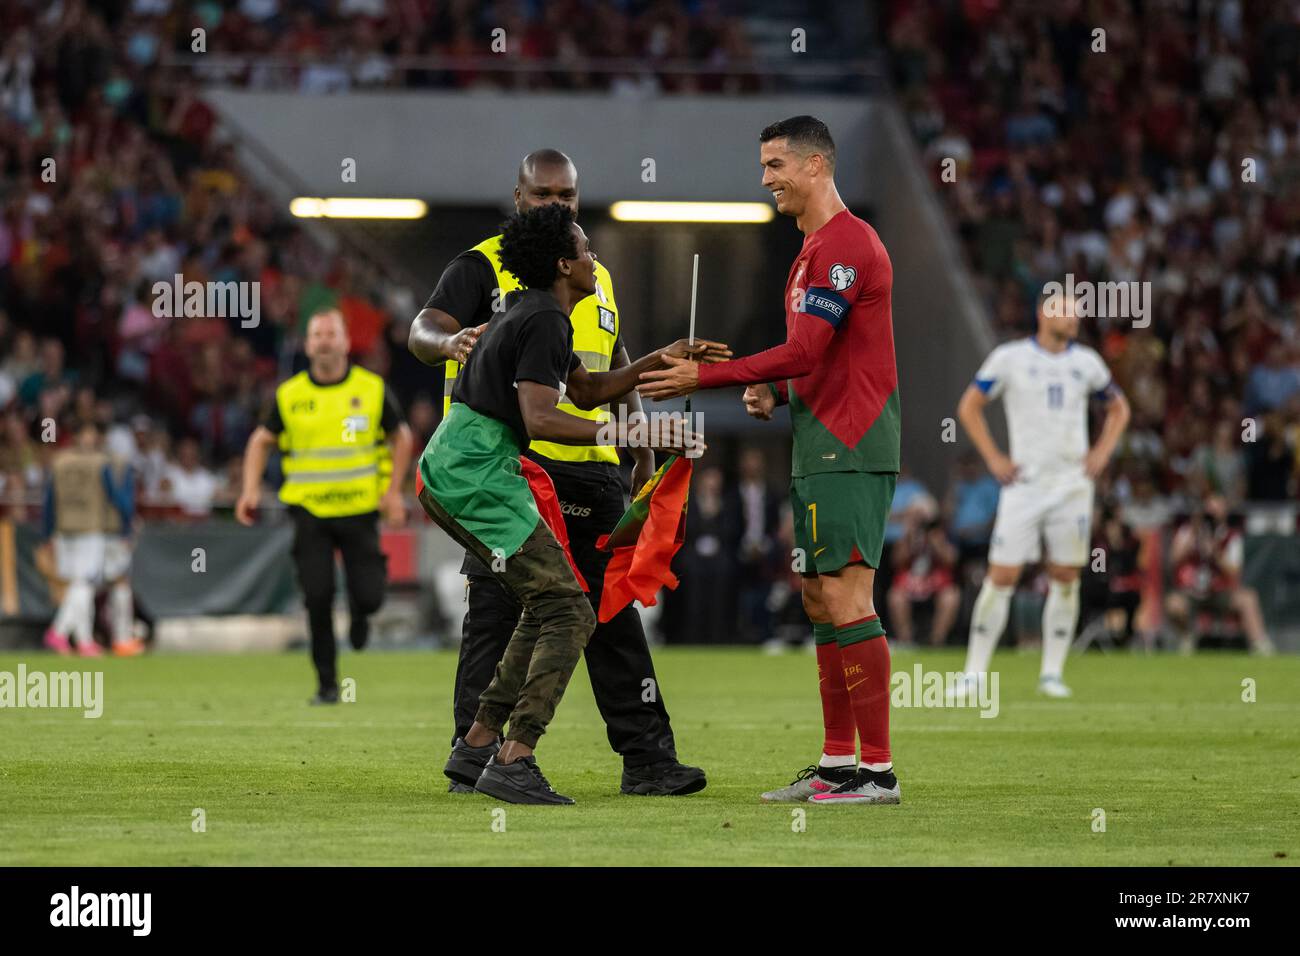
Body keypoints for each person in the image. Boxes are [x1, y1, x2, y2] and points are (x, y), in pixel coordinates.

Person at [408, 149, 707, 796]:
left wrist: (657, 364)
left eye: (568, 199)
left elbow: (593, 385)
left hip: (485, 467)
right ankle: (507, 760)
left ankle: (479, 751)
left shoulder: (545, 307)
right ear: (561, 259)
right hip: (491, 468)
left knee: (565, 607)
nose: (588, 244)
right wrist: (638, 431)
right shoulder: (528, 303)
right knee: (558, 610)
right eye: (582, 242)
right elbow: (542, 418)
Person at [639, 115, 903, 806]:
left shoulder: (846, 245)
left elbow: (812, 350)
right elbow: (820, 360)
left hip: (851, 442)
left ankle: (878, 771)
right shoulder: (812, 250)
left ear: (817, 165)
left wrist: (709, 379)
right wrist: (777, 391)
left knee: (849, 596)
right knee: (818, 597)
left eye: (776, 165)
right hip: (818, 441)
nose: (766, 180)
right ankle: (837, 762)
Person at [952, 292, 1131, 698]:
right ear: (1042, 313)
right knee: (1002, 575)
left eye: (1076, 311)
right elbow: (969, 406)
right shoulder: (1010, 357)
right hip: (1025, 486)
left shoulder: (1086, 363)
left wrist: (1102, 452)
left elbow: (1120, 408)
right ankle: (974, 674)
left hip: (1072, 486)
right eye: (1065, 309)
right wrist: (995, 458)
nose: (1073, 317)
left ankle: (1051, 673)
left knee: (1066, 577)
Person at [236, 308, 413, 704]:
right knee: (316, 597)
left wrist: (393, 492)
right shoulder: (290, 395)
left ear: (347, 342)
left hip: (360, 509)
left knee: (369, 596)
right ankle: (327, 685)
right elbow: (260, 441)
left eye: (332, 333)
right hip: (310, 513)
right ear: (307, 343)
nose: (325, 341)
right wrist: (249, 489)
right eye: (317, 334)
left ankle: (361, 613)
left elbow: (401, 436)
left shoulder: (372, 388)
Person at [43, 421, 142, 657]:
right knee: (84, 583)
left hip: (64, 529)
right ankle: (64, 633)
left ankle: (77, 638)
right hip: (91, 529)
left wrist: (47, 532)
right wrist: (127, 525)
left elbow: (49, 500)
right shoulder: (102, 463)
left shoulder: (60, 461)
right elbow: (116, 497)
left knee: (80, 583)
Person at [1165, 495, 1274, 655]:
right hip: (1192, 591)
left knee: (1248, 599)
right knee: (1173, 604)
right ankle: (1188, 637)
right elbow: (1173, 560)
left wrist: (1216, 553)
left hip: (1220, 592)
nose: (1212, 515)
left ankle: (1259, 643)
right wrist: (1194, 535)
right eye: (1209, 510)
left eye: (1216, 511)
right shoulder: (1188, 531)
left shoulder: (1230, 536)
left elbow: (1234, 571)